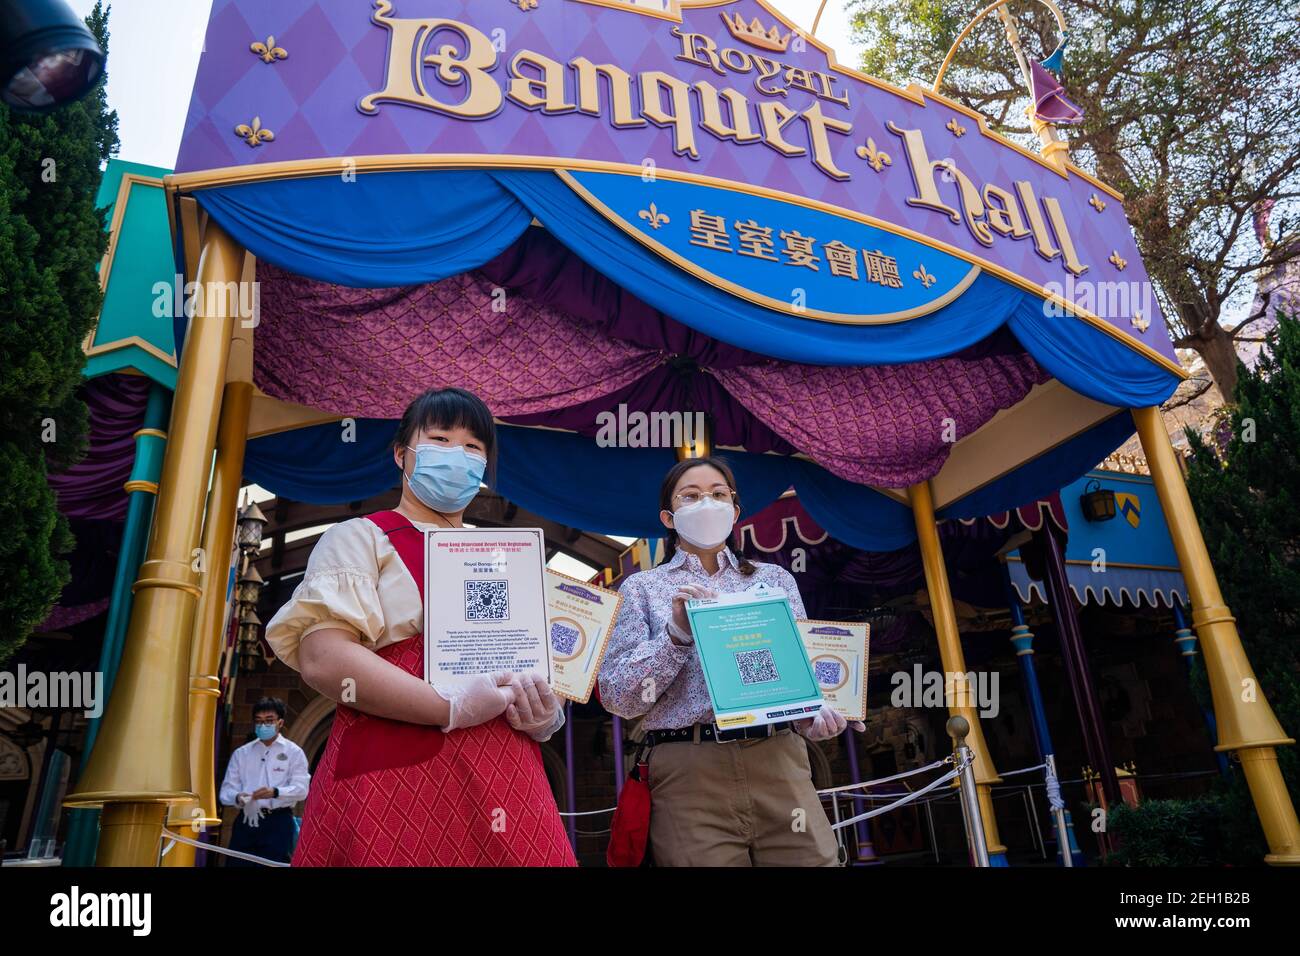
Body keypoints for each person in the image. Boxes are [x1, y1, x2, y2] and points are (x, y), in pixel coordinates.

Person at [265, 387, 574, 866]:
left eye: (474, 446)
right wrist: (446, 705)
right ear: (401, 454)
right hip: (396, 770)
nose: (458, 454)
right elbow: (323, 658)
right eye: (440, 439)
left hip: (507, 772)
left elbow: (537, 667)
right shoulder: (361, 537)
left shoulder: (509, 557)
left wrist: (544, 713)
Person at [598, 457, 864, 866]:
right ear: (669, 518)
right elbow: (619, 698)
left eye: (718, 494)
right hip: (689, 769)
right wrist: (676, 634)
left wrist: (815, 711)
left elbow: (803, 672)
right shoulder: (642, 589)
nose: (707, 503)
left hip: (778, 757)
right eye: (691, 496)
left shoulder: (773, 580)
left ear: (735, 511)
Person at [218, 697, 311, 866]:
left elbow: (302, 789)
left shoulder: (294, 752)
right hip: (247, 819)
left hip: (278, 821)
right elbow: (226, 793)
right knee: (237, 863)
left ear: (280, 723)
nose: (263, 726)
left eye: (269, 721)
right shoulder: (242, 753)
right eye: (259, 721)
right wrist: (239, 797)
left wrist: (275, 792)